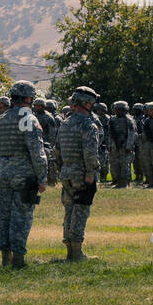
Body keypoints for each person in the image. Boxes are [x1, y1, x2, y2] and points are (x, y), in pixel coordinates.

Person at [0, 81, 48, 268]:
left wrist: (1, 170)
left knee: (4, 217)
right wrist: (42, 177)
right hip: (24, 173)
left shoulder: (0, 119)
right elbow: (36, 151)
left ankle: (5, 258)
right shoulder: (28, 119)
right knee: (21, 217)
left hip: (4, 173)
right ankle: (18, 259)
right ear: (29, 98)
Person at [57, 86, 103, 261]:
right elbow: (90, 153)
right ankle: (76, 252)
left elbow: (57, 151)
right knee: (80, 211)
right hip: (82, 174)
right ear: (86, 103)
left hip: (67, 172)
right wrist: (90, 172)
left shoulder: (65, 123)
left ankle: (69, 249)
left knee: (69, 211)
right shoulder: (87, 125)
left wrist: (63, 168)